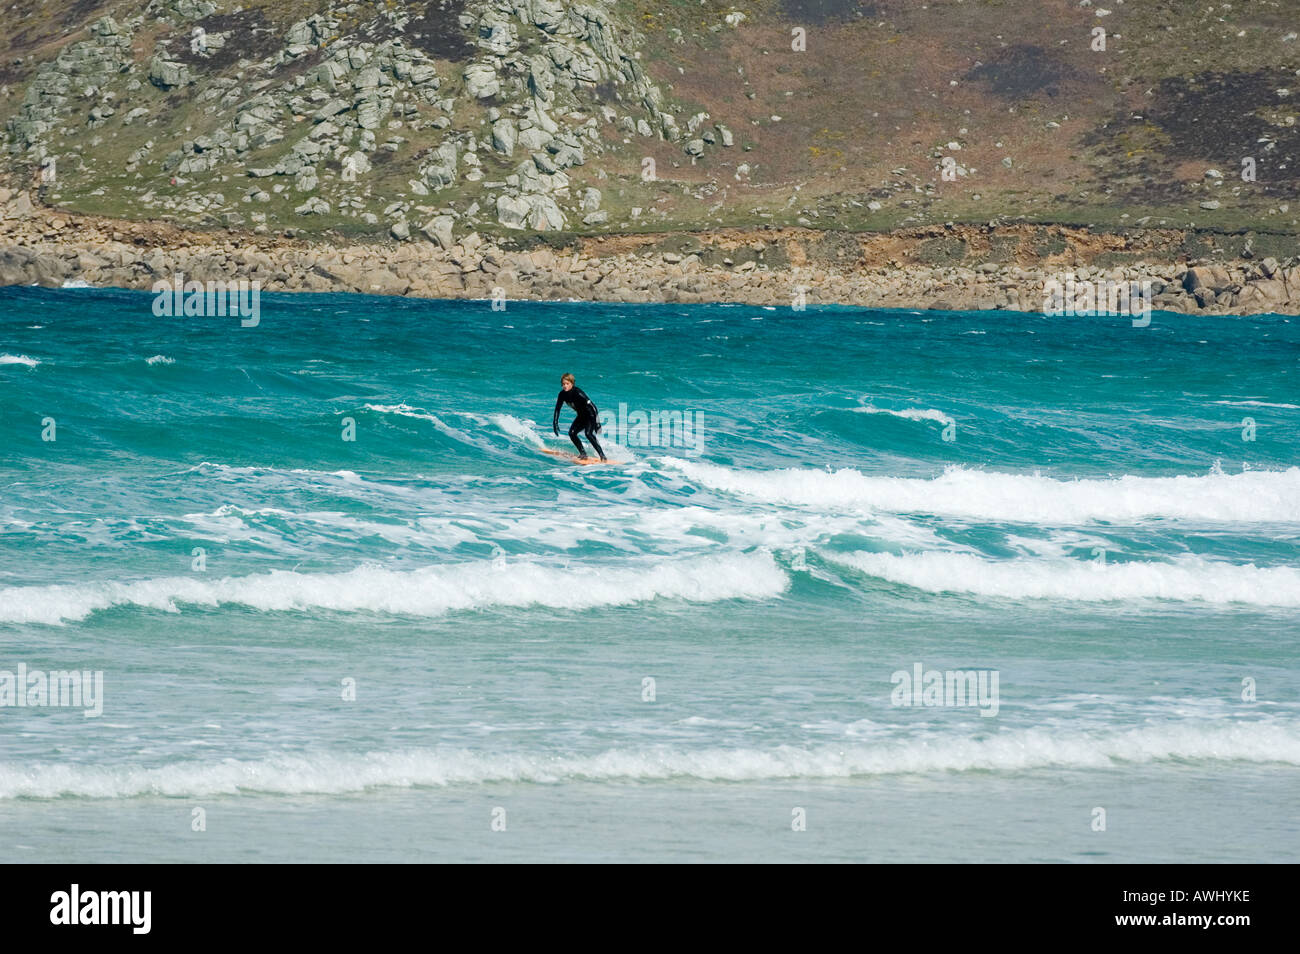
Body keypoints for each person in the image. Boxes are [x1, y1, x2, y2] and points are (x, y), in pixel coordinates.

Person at [553, 372, 606, 461]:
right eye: (563, 384)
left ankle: (602, 455)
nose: (565, 386)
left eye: (567, 384)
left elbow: (593, 406)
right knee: (572, 433)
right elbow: (557, 409)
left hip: (590, 415)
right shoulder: (562, 394)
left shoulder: (578, 392)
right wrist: (555, 422)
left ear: (572, 383)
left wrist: (597, 422)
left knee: (588, 434)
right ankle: (583, 453)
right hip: (581, 416)